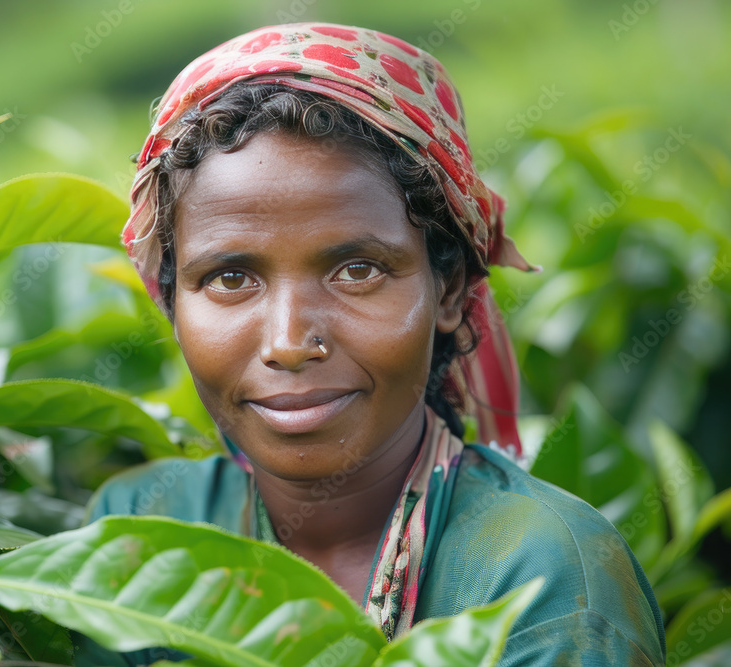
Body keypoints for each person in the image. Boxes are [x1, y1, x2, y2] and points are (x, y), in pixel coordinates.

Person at [74, 22, 666, 666]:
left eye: (357, 270)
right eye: (230, 279)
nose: (289, 343)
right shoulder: (139, 532)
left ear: (448, 289)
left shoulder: (542, 586)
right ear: (172, 301)